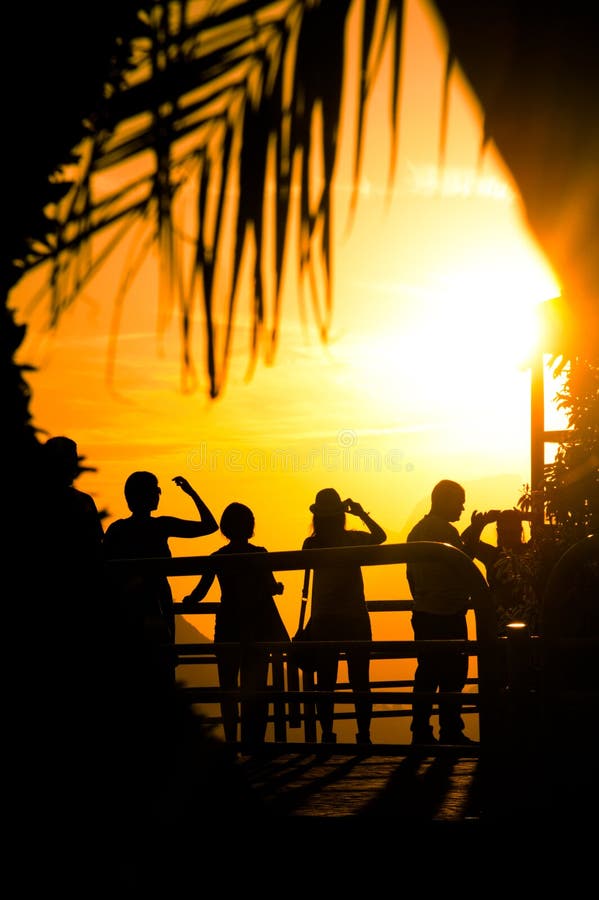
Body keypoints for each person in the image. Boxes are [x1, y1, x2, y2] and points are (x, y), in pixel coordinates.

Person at [182, 502, 289, 750]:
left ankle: (231, 741)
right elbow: (271, 587)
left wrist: (187, 601)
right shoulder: (260, 554)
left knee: (228, 687)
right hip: (257, 627)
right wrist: (278, 588)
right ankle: (255, 742)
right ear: (250, 526)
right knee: (256, 688)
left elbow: (198, 593)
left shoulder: (218, 557)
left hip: (228, 625)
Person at [103, 471, 218, 685]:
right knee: (161, 664)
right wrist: (191, 493)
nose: (158, 493)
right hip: (155, 603)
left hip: (129, 605)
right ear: (144, 495)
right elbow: (209, 526)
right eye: (155, 489)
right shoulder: (160, 525)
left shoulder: (117, 529)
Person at [406, 479, 492, 746]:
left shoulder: (417, 530)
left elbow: (410, 575)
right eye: (459, 501)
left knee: (428, 674)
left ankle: (421, 730)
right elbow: (463, 563)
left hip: (423, 612)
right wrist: (476, 530)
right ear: (445, 501)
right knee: (453, 675)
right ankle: (450, 731)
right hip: (448, 614)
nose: (463, 508)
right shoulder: (445, 531)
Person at [302, 488, 387, 745]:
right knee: (360, 681)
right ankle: (364, 735)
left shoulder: (312, 543)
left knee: (325, 683)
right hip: (355, 618)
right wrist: (361, 513)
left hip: (324, 619)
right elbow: (380, 536)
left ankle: (327, 735)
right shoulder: (353, 540)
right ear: (341, 515)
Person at [471, 509, 540, 636]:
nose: (508, 537)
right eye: (504, 533)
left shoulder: (531, 551)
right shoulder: (492, 554)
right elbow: (470, 544)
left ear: (520, 531)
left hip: (529, 621)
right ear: (498, 532)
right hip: (501, 622)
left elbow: (470, 542)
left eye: (512, 533)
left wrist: (481, 523)